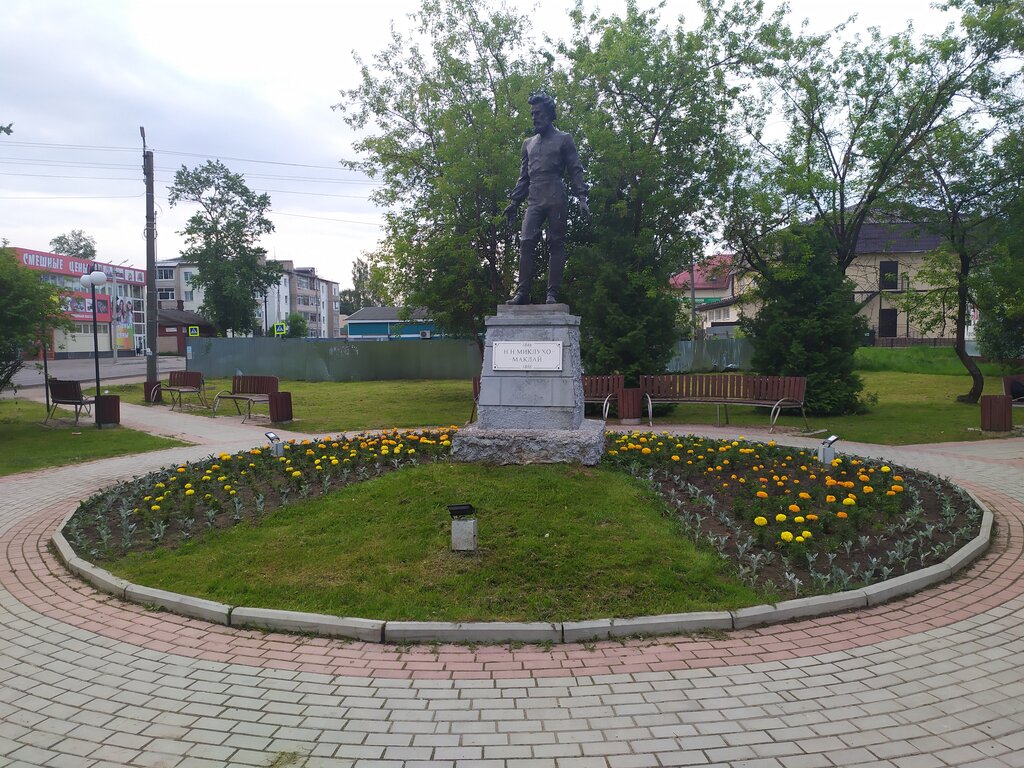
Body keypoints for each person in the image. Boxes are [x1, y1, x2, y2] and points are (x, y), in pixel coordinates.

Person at [503, 92, 589, 305]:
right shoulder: (528, 144)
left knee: (556, 243)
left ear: (549, 114)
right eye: (532, 114)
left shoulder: (564, 139)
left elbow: (575, 169)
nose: (534, 118)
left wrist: (582, 197)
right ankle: (522, 293)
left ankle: (552, 294)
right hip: (534, 197)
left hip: (556, 196)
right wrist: (514, 202)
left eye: (538, 113)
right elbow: (524, 177)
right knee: (526, 241)